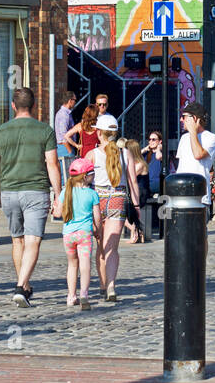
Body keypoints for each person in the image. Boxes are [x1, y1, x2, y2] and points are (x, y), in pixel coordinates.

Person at [0, 87, 62, 308]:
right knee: (33, 240)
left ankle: (24, 286)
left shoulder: (1, 131)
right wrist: (58, 195)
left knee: (17, 240)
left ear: (13, 106)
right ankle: (20, 286)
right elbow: (52, 164)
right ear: (34, 105)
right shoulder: (45, 130)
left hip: (8, 192)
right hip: (36, 190)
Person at [91, 113, 140, 300]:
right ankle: (111, 286)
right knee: (112, 246)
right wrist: (136, 206)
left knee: (100, 247)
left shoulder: (92, 154)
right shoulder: (125, 153)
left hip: (97, 199)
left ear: (98, 133)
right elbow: (132, 181)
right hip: (118, 198)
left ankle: (103, 285)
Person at [60, 157, 101, 310]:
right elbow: (97, 218)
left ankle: (71, 296)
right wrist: (99, 232)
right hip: (85, 234)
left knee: (72, 265)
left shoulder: (65, 192)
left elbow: (58, 212)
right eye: (92, 174)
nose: (94, 176)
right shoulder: (91, 194)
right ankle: (84, 294)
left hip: (68, 235)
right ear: (85, 177)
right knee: (85, 266)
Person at [175, 102, 215, 207]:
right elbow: (181, 165)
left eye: (184, 117)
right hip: (181, 192)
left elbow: (198, 154)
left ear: (194, 118)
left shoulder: (211, 137)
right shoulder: (184, 138)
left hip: (199, 194)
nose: (181, 120)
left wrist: (193, 131)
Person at [122, 140, 150, 244]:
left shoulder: (140, 164)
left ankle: (135, 229)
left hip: (140, 193)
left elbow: (129, 177)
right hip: (133, 192)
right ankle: (137, 231)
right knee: (120, 212)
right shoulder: (133, 162)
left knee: (122, 212)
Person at [54, 91, 79, 173]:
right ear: (70, 100)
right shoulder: (64, 115)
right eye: (75, 100)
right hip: (64, 148)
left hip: (65, 147)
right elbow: (63, 135)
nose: (75, 102)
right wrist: (70, 151)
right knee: (66, 175)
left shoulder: (66, 114)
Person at [141, 131, 165, 195]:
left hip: (158, 185)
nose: (151, 141)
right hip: (147, 185)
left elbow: (158, 157)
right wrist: (145, 149)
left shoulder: (163, 153)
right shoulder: (146, 154)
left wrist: (159, 148)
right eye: (149, 139)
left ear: (160, 141)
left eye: (153, 139)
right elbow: (134, 157)